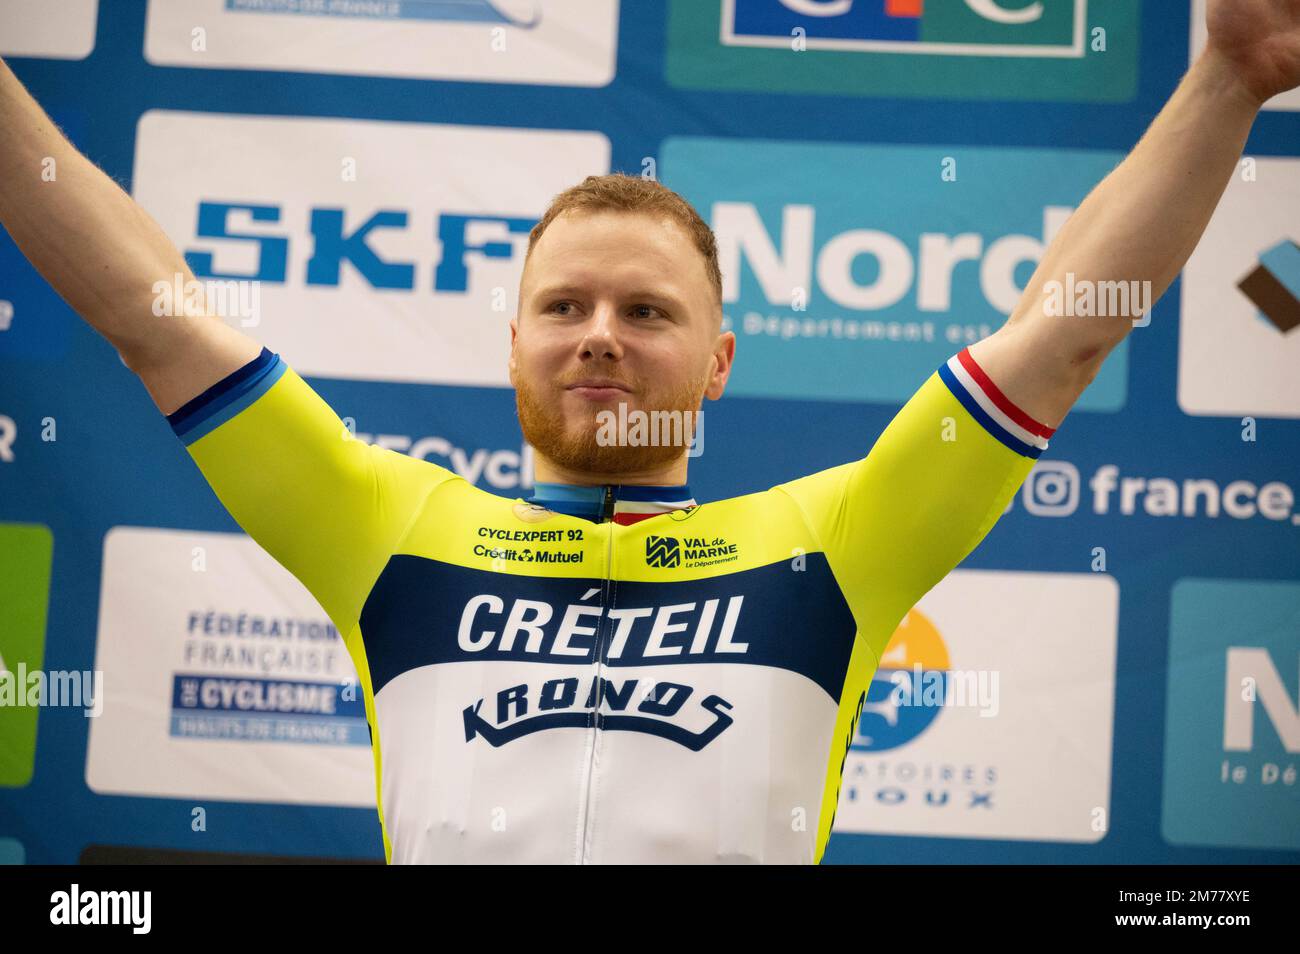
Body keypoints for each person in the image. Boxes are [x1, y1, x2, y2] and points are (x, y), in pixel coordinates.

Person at [1, 1, 1296, 864]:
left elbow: (1060, 335)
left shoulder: (835, 541)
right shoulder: (384, 525)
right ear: (512, 346)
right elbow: (151, 313)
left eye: (646, 309)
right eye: (561, 305)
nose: (601, 334)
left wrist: (1231, 76)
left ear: (721, 362)